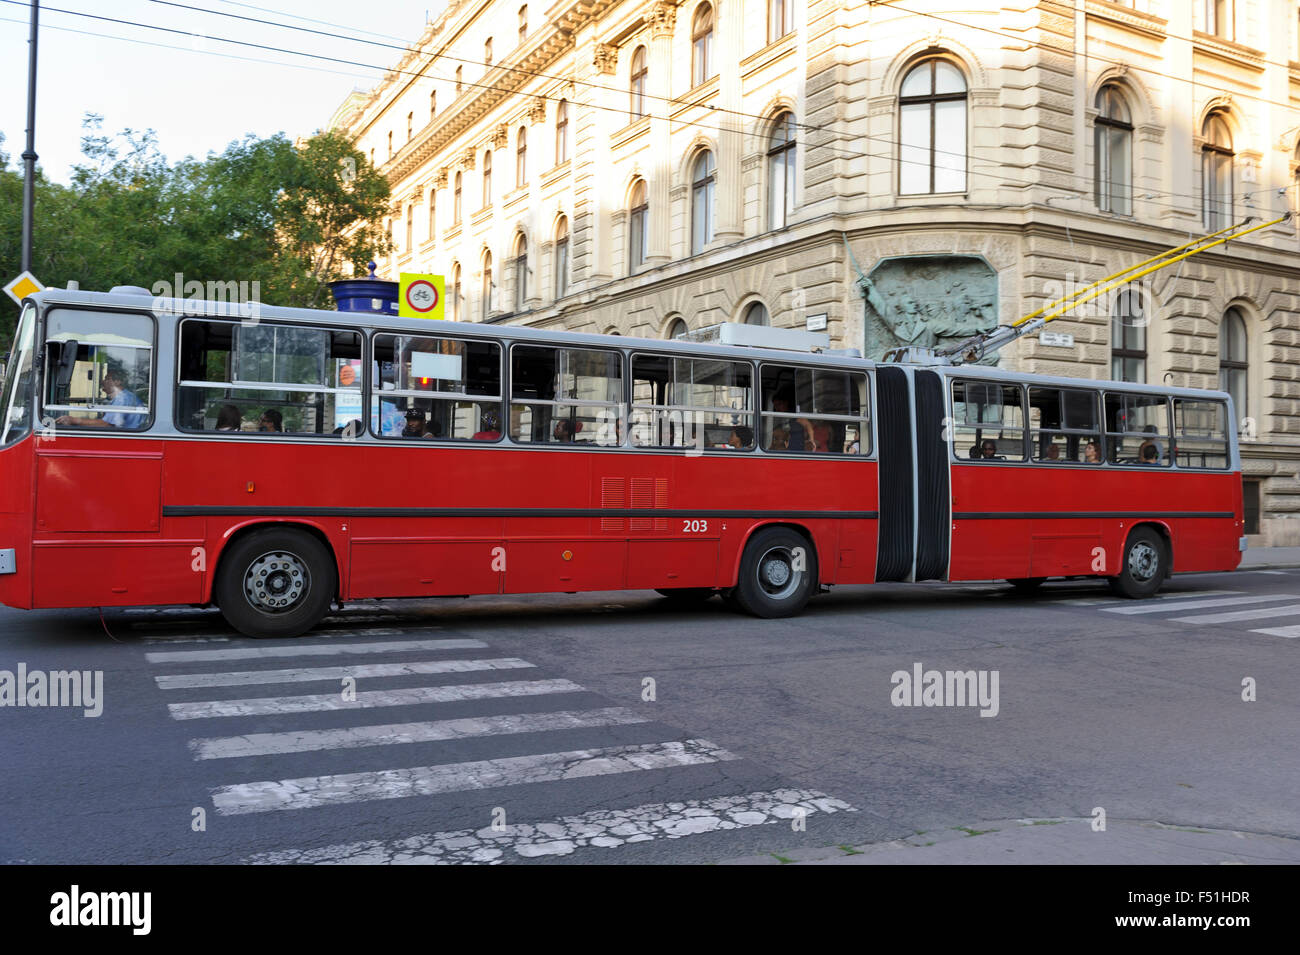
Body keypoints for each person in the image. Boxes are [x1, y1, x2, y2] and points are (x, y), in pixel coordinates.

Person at [56, 365, 144, 430]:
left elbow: (106, 424)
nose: (103, 381)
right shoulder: (124, 397)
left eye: (107, 379)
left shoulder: (122, 399)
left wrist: (73, 420)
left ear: (117, 382)